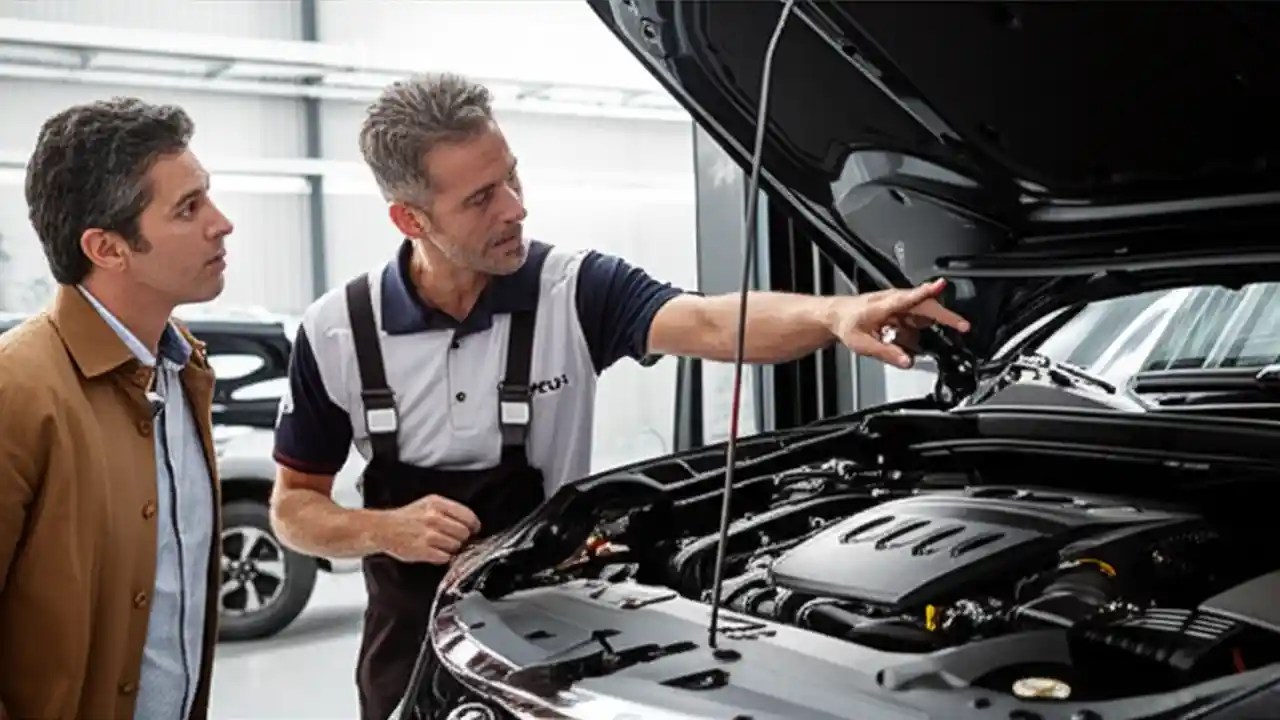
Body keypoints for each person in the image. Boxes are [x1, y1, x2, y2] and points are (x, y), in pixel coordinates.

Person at [268, 72, 969, 720]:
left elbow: (710, 321)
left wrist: (835, 314)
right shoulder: (337, 331)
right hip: (403, 658)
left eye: (511, 176)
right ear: (411, 221)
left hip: (545, 648)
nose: (516, 207)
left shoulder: (572, 290)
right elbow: (293, 510)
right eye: (480, 199)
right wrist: (384, 529)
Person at [0, 97, 234, 720]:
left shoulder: (183, 370)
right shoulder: (17, 392)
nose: (222, 223)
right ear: (107, 248)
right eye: (189, 208)